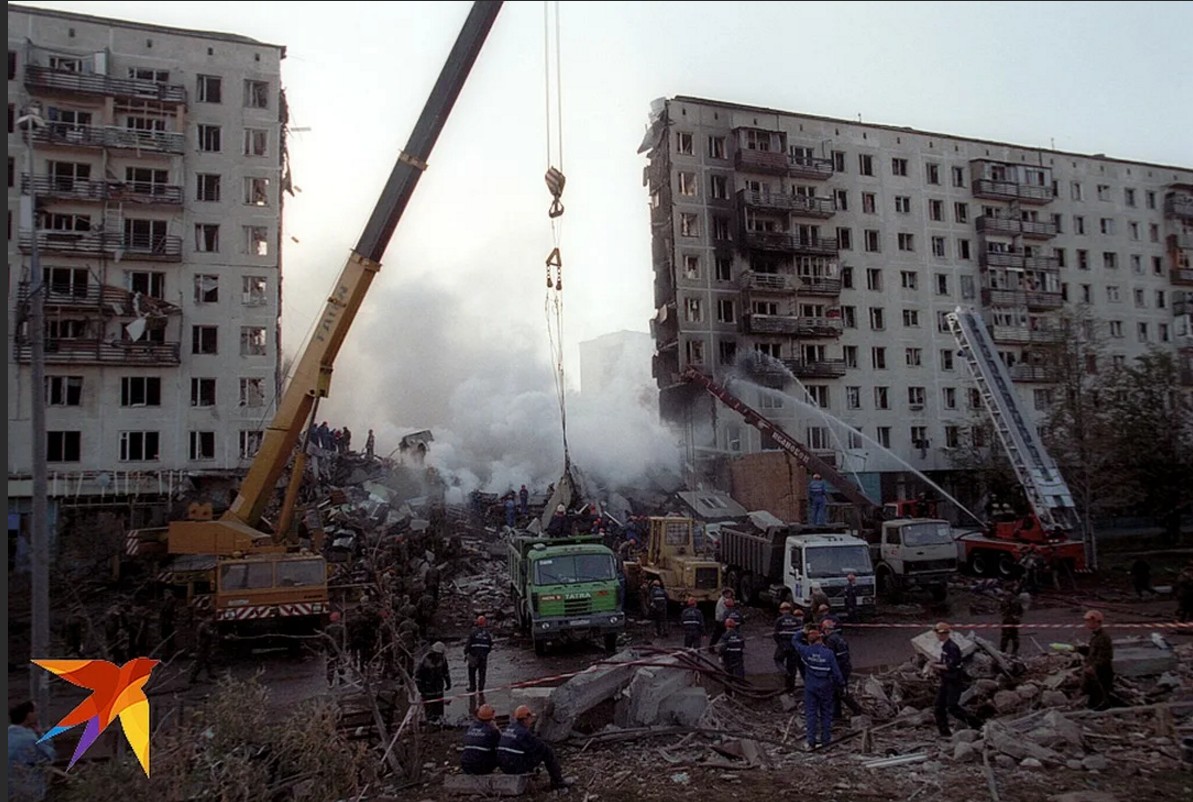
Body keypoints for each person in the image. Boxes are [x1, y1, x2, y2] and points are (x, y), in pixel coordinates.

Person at [498, 705, 574, 791]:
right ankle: (558, 781)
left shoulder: (509, 728)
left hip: (504, 766)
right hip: (515, 767)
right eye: (530, 718)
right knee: (548, 753)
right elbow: (542, 748)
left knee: (523, 752)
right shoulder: (524, 733)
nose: (531, 721)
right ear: (525, 719)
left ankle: (532, 774)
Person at [793, 623, 844, 750]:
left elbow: (794, 640)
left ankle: (811, 740)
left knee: (811, 713)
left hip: (811, 686)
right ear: (821, 638)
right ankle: (825, 740)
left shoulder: (806, 651)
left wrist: (803, 631)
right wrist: (841, 685)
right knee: (826, 713)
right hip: (826, 686)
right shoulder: (828, 653)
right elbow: (836, 673)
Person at [931, 622, 981, 736]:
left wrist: (935, 666)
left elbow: (951, 666)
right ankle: (944, 733)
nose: (937, 636)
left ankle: (977, 724)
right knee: (938, 707)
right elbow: (945, 662)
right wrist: (937, 664)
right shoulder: (945, 646)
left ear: (943, 634)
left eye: (938, 634)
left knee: (952, 706)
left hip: (953, 681)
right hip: (945, 680)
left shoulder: (952, 647)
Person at [8, 701, 57, 802]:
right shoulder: (30, 740)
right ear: (29, 715)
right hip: (28, 790)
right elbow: (49, 756)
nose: (38, 714)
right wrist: (41, 734)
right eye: (35, 711)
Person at [1075, 609, 1114, 710]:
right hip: (1095, 671)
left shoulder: (1103, 637)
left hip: (1101, 672)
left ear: (1095, 621)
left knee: (1100, 696)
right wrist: (1078, 649)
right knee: (1092, 694)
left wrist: (1093, 667)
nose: (1086, 623)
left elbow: (1105, 656)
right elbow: (1092, 651)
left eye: (1088, 621)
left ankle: (1103, 715)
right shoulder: (1096, 636)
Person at [821, 618, 860, 717]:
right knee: (835, 692)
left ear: (826, 630)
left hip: (838, 669)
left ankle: (856, 709)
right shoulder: (840, 638)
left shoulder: (830, 641)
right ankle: (837, 714)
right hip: (845, 667)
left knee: (840, 692)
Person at [416, 642, 452, 724]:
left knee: (439, 705)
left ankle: (440, 721)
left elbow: (445, 671)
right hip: (428, 687)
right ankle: (430, 722)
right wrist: (421, 689)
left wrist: (448, 682)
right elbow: (418, 676)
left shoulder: (442, 659)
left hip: (438, 686)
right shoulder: (425, 660)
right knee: (429, 706)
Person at [461, 704, 501, 775]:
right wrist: (497, 729)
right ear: (492, 716)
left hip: (465, 765)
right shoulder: (492, 730)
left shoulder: (471, 727)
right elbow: (501, 746)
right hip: (481, 766)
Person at [772, 602, 803, 692]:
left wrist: (780, 644)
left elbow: (775, 634)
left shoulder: (779, 620)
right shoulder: (797, 620)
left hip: (783, 644)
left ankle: (784, 672)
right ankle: (790, 690)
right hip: (794, 646)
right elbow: (800, 634)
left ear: (781, 610)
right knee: (792, 667)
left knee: (777, 659)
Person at [465, 616, 493, 695]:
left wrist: (466, 653)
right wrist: (485, 653)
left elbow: (468, 645)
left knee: (472, 672)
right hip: (483, 657)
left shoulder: (473, 633)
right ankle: (481, 688)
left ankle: (472, 687)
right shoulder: (487, 634)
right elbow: (490, 645)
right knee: (482, 673)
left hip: (474, 656)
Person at [188, 614, 219, 685]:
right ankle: (192, 678)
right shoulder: (204, 626)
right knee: (199, 663)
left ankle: (210, 674)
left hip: (205, 646)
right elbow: (211, 634)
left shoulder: (204, 625)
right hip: (202, 647)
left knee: (208, 661)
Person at [999, 583, 1025, 657]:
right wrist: (1018, 616)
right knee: (1015, 636)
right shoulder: (1016, 598)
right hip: (1015, 620)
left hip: (1008, 620)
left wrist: (1005, 616)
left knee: (1005, 637)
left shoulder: (1006, 598)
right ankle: (1014, 652)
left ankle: (1003, 652)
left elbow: (1003, 609)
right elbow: (1021, 610)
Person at [324, 611, 347, 687]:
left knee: (330, 666)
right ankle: (342, 680)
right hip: (339, 649)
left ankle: (330, 681)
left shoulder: (327, 628)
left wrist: (325, 649)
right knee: (340, 665)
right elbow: (345, 639)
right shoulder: (342, 628)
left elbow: (324, 640)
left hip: (330, 650)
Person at [708, 588, 735, 652]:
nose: (730, 595)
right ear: (726, 593)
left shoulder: (724, 600)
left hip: (721, 620)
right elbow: (723, 613)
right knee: (721, 635)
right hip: (721, 621)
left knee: (717, 635)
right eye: (729, 593)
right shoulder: (722, 601)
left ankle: (712, 647)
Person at [159, 590, 177, 659]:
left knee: (168, 637)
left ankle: (168, 653)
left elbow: (168, 611)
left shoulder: (171, 601)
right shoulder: (167, 601)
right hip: (166, 622)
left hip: (168, 622)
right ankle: (167, 653)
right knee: (166, 637)